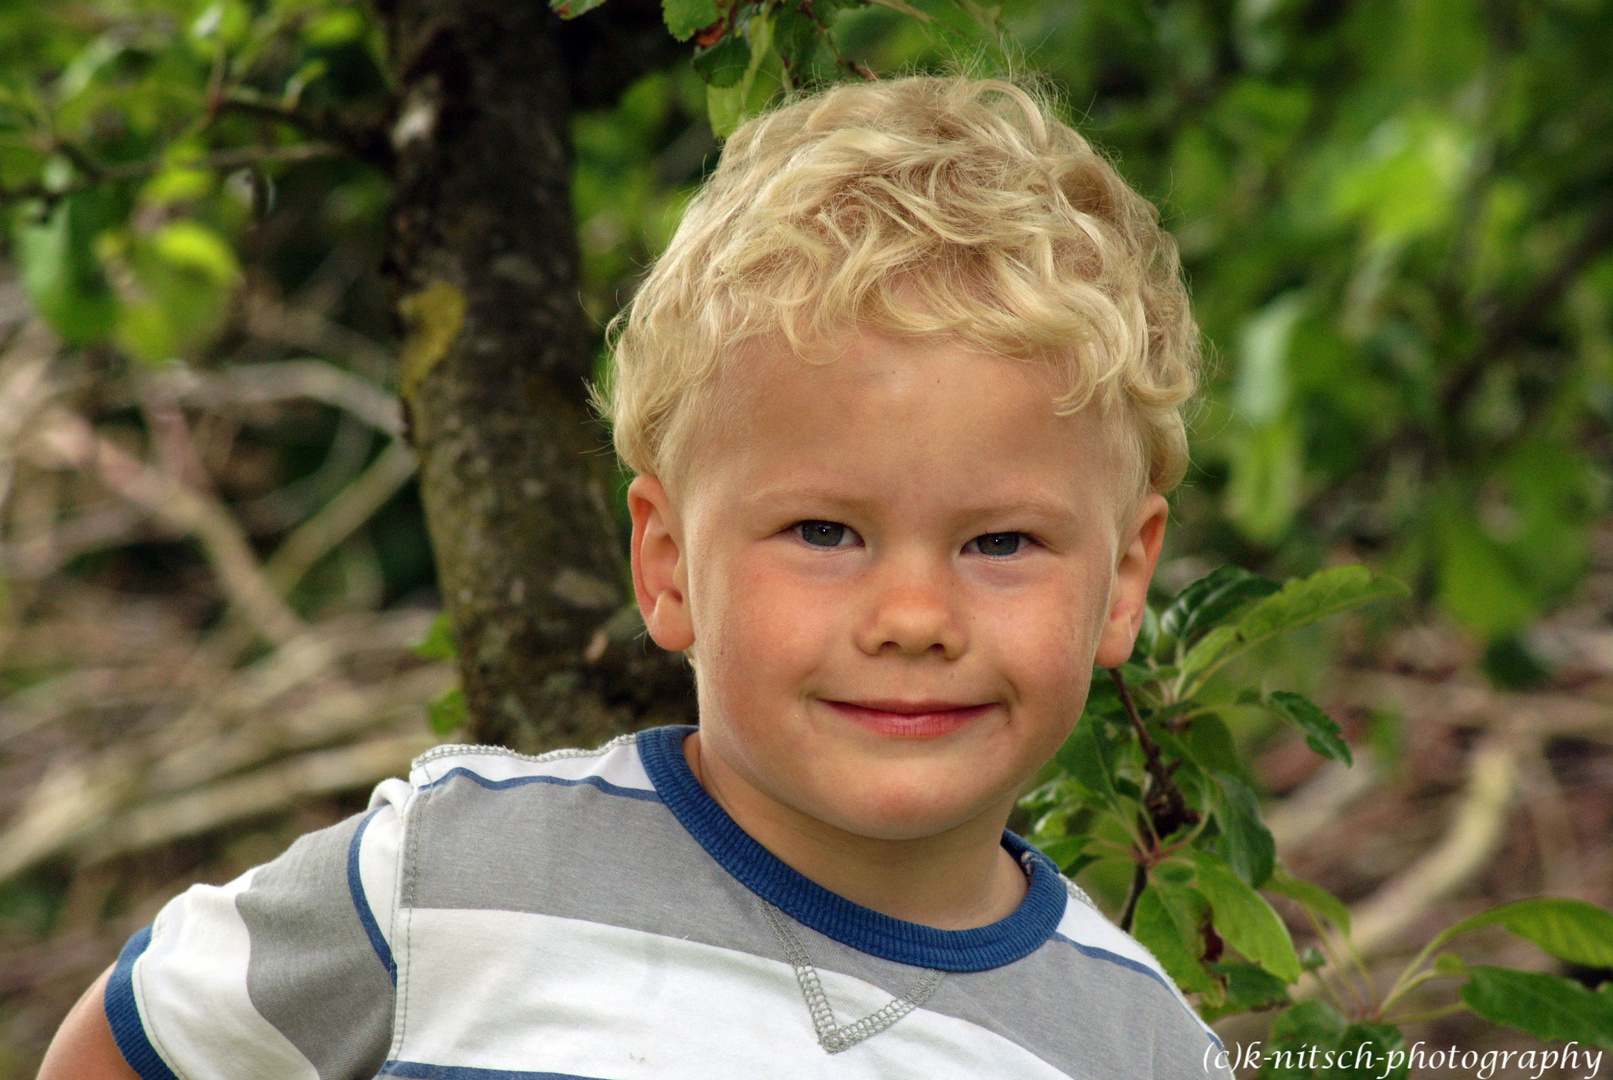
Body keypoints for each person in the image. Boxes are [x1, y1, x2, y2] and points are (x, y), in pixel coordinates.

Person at [40, 75, 1234, 1079]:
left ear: (1124, 580)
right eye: (822, 533)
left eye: (999, 544)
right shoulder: (451, 879)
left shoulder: (1142, 1050)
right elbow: (120, 1050)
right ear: (664, 564)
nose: (913, 619)